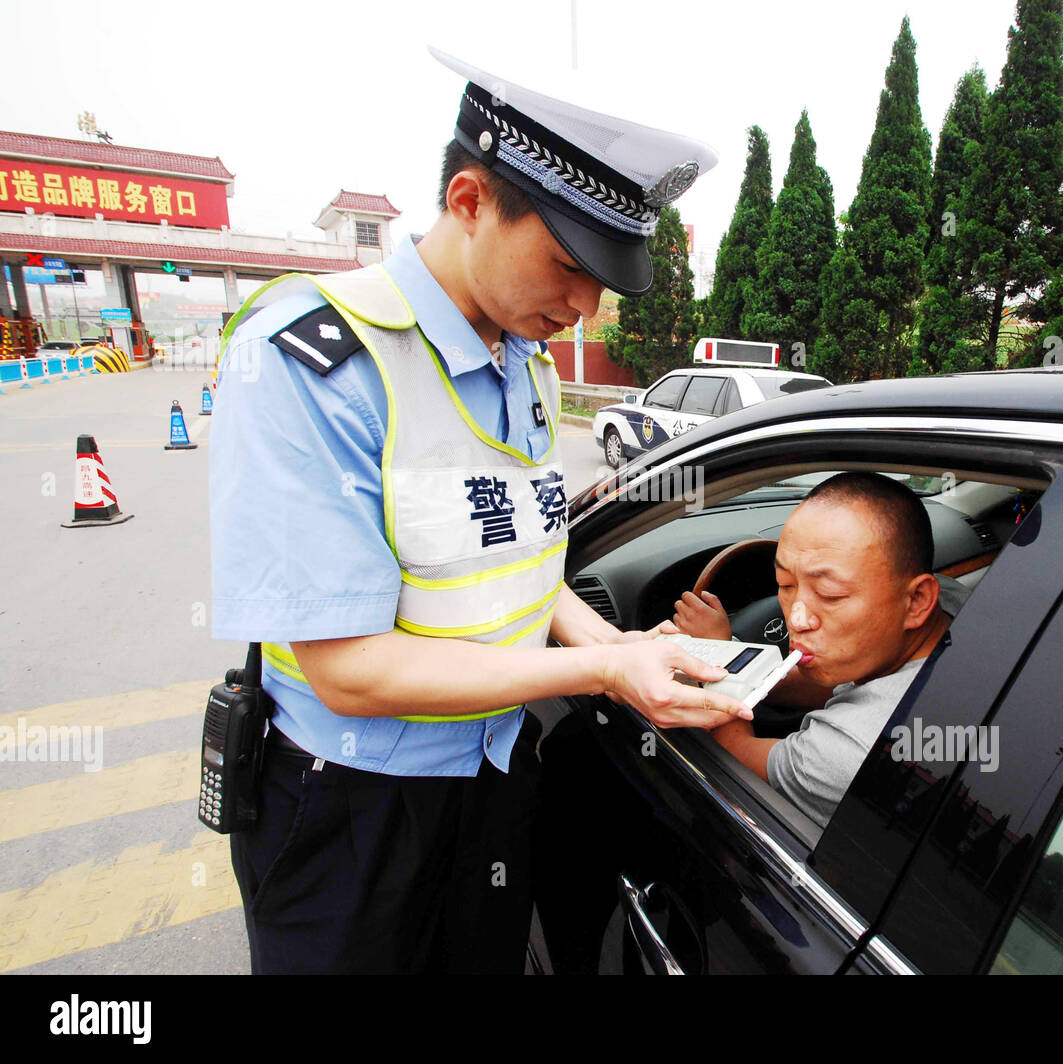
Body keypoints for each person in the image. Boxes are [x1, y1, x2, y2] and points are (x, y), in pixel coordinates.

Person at [208, 47, 749, 974]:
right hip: (354, 804)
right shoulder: (314, 361)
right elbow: (351, 672)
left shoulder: (522, 363)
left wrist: (622, 648)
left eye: (605, 281)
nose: (583, 306)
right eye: (567, 263)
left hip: (496, 775)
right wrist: (607, 677)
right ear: (468, 201)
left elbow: (529, 573)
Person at [671, 472, 970, 827]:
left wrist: (720, 663)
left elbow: (734, 753)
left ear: (918, 600)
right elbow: (828, 683)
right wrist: (731, 651)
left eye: (829, 594)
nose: (796, 618)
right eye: (785, 584)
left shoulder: (851, 752)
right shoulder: (954, 602)